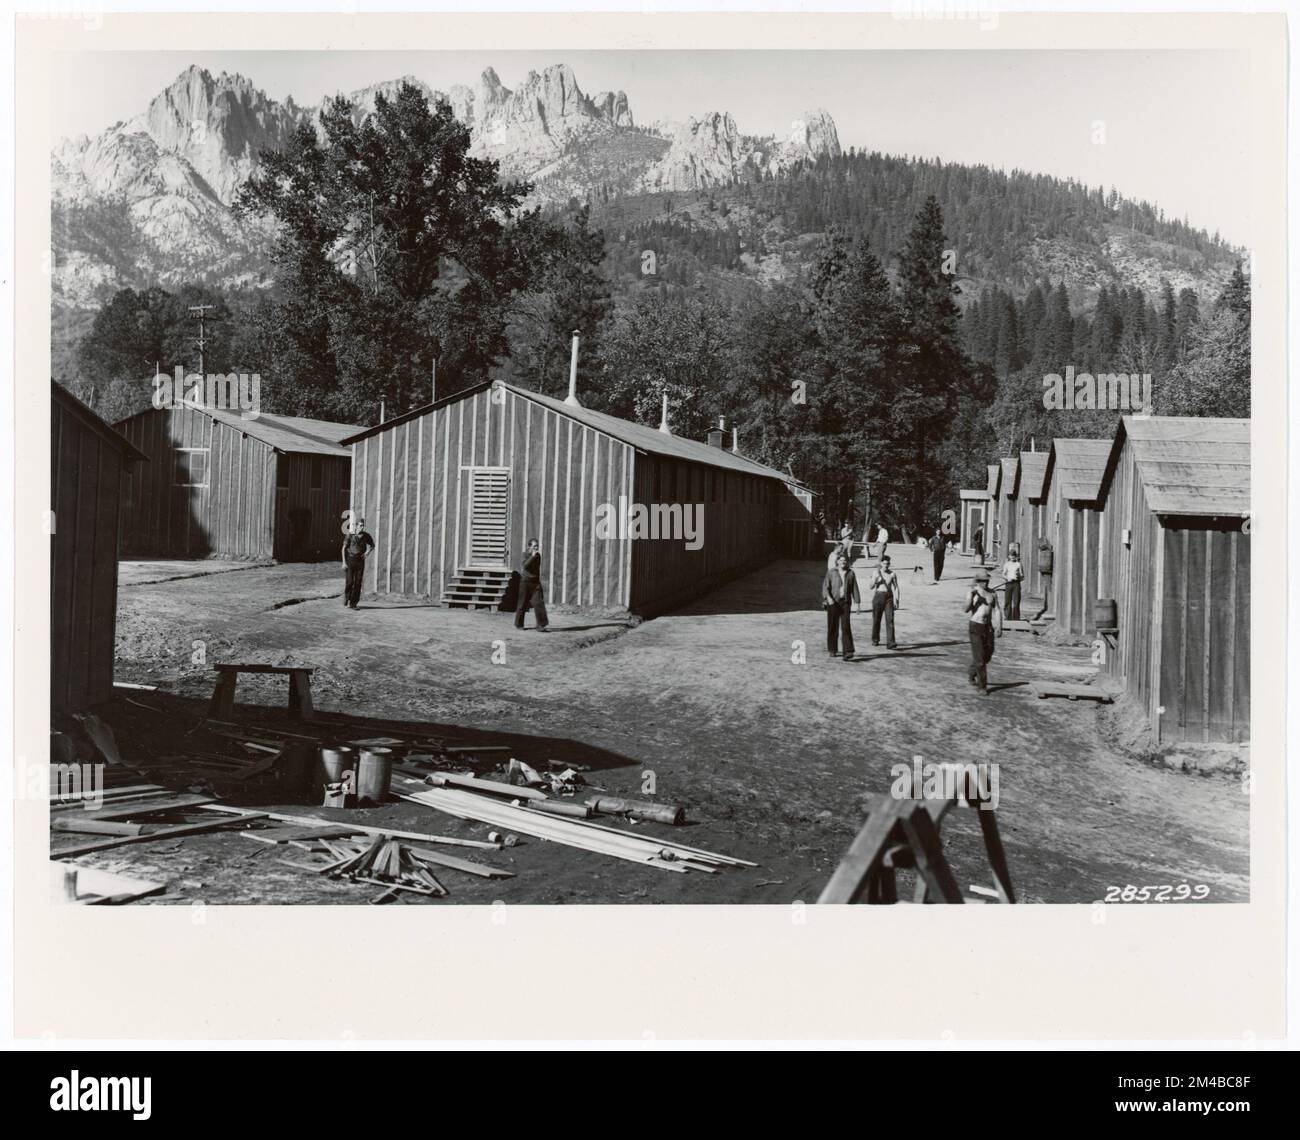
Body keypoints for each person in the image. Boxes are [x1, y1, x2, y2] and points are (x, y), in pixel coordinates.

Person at [965, 569, 1003, 694]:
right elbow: (965, 609)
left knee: (987, 655)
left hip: (988, 627)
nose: (985, 584)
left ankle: (972, 671)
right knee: (980, 659)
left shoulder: (992, 593)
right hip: (975, 626)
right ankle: (982, 686)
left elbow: (997, 610)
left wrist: (999, 626)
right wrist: (971, 597)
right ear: (977, 581)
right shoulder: (973, 593)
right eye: (982, 581)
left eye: (987, 581)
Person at [822, 550, 860, 661]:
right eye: (841, 560)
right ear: (837, 561)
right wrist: (828, 598)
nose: (843, 562)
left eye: (845, 560)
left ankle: (848, 651)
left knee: (846, 626)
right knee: (833, 626)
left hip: (846, 603)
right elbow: (825, 587)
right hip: (833, 602)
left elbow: (855, 589)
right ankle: (832, 649)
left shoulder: (851, 573)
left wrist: (857, 603)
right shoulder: (831, 572)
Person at [341, 514, 375, 610]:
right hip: (350, 560)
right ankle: (347, 598)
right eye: (359, 525)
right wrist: (344, 562)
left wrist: (367, 552)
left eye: (363, 526)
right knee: (350, 582)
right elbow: (343, 548)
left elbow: (372, 545)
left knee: (358, 583)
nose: (361, 527)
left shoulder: (366, 536)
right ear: (355, 526)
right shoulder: (350, 535)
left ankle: (353, 603)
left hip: (360, 561)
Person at [515, 539, 550, 631]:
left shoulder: (538, 556)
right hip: (525, 582)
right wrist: (532, 556)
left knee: (539, 603)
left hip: (535, 583)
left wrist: (538, 583)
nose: (536, 548)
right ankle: (519, 624)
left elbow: (536, 570)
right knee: (522, 604)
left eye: (537, 546)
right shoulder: (525, 554)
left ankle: (541, 625)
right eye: (534, 546)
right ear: (529, 546)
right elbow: (525, 566)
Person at [867, 554, 901, 649]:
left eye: (888, 564)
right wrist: (876, 580)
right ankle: (875, 639)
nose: (886, 565)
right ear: (881, 563)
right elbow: (870, 587)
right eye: (884, 563)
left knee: (890, 619)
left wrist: (897, 601)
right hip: (878, 596)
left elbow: (896, 587)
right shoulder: (875, 572)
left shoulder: (892, 574)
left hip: (889, 597)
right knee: (876, 619)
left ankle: (891, 642)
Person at [1002, 545, 1025, 620]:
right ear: (1009, 556)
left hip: (1016, 584)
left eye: (1014, 556)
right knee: (1007, 601)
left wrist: (1019, 576)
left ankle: (1016, 618)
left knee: (1016, 601)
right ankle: (1007, 617)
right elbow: (1003, 574)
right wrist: (1007, 578)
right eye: (1011, 556)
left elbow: (1022, 576)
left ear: (1016, 556)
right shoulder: (1007, 564)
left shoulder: (1018, 564)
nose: (1012, 557)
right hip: (1008, 584)